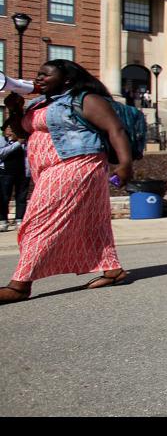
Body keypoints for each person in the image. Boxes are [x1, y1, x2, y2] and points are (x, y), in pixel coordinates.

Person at [1, 60, 131, 304]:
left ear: (67, 79)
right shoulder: (39, 103)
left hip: (77, 163)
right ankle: (113, 269)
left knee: (38, 221)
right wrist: (15, 110)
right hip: (47, 169)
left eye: (45, 75)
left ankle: (20, 285)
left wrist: (125, 164)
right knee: (92, 221)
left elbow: (116, 129)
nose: (38, 78)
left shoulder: (86, 99)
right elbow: (22, 133)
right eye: (38, 74)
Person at [2, 120, 32, 232]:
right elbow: (1, 153)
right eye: (9, 128)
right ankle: (3, 220)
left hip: (23, 173)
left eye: (13, 129)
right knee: (4, 197)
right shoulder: (2, 140)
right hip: (6, 172)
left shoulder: (26, 142)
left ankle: (19, 220)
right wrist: (17, 144)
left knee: (21, 197)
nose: (11, 131)